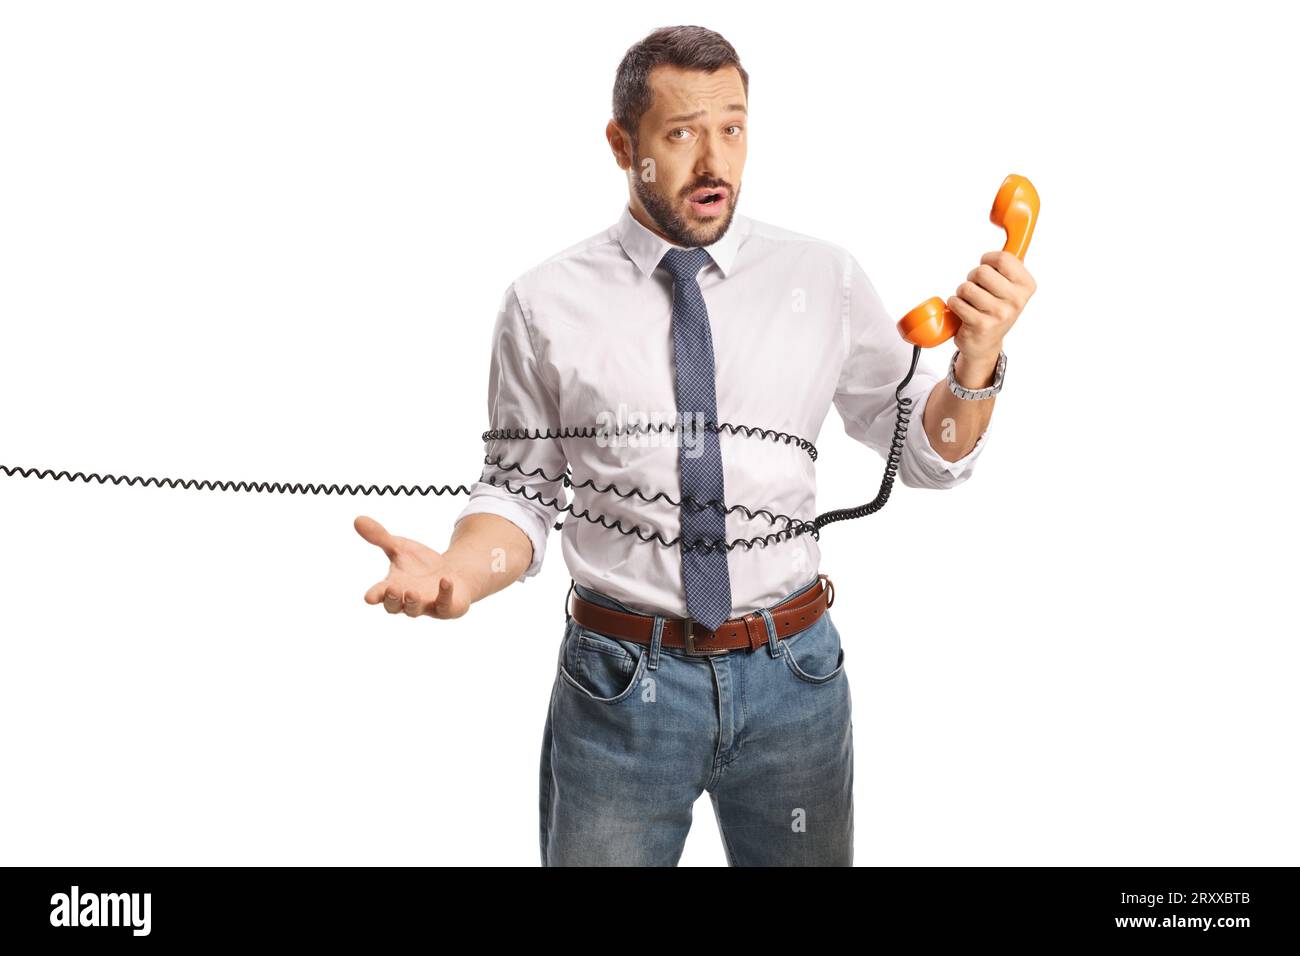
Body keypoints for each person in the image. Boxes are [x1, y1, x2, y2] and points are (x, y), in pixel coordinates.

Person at [354, 24, 1036, 866]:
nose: (714, 163)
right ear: (623, 143)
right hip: (620, 688)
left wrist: (973, 365)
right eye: (681, 134)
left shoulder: (821, 280)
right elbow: (518, 496)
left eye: (733, 127)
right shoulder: (542, 304)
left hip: (796, 680)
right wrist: (460, 571)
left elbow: (932, 455)